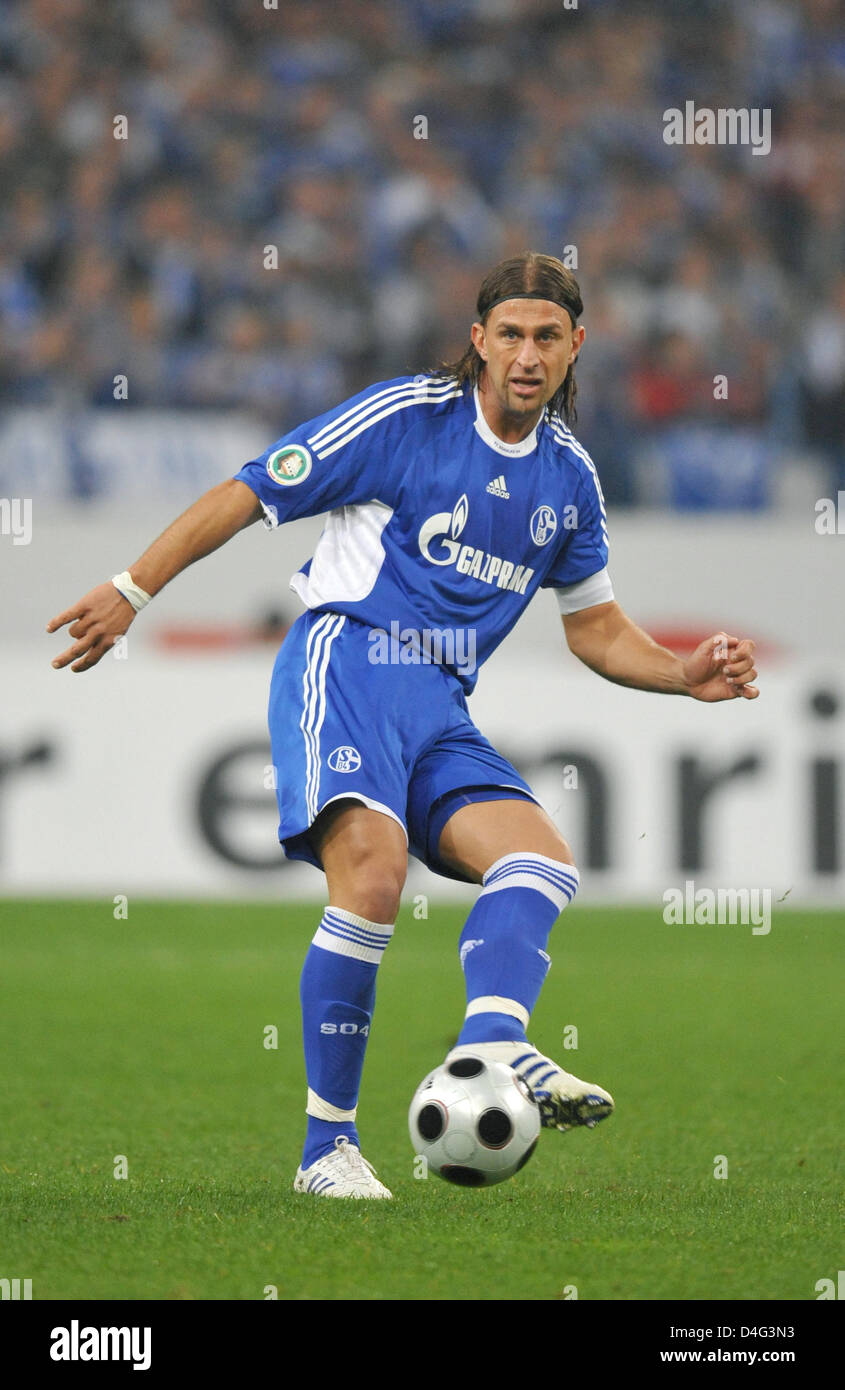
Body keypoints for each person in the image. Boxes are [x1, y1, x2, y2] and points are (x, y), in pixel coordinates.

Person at [47, 252, 759, 1200]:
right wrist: (132, 589)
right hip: (346, 663)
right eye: (508, 333)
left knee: (540, 863)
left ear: (575, 347)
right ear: (478, 340)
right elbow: (249, 491)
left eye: (546, 337)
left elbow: (591, 627)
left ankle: (496, 1042)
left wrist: (680, 673)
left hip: (440, 706)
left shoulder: (570, 479)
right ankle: (325, 1151)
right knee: (373, 876)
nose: (526, 354)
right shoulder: (405, 418)